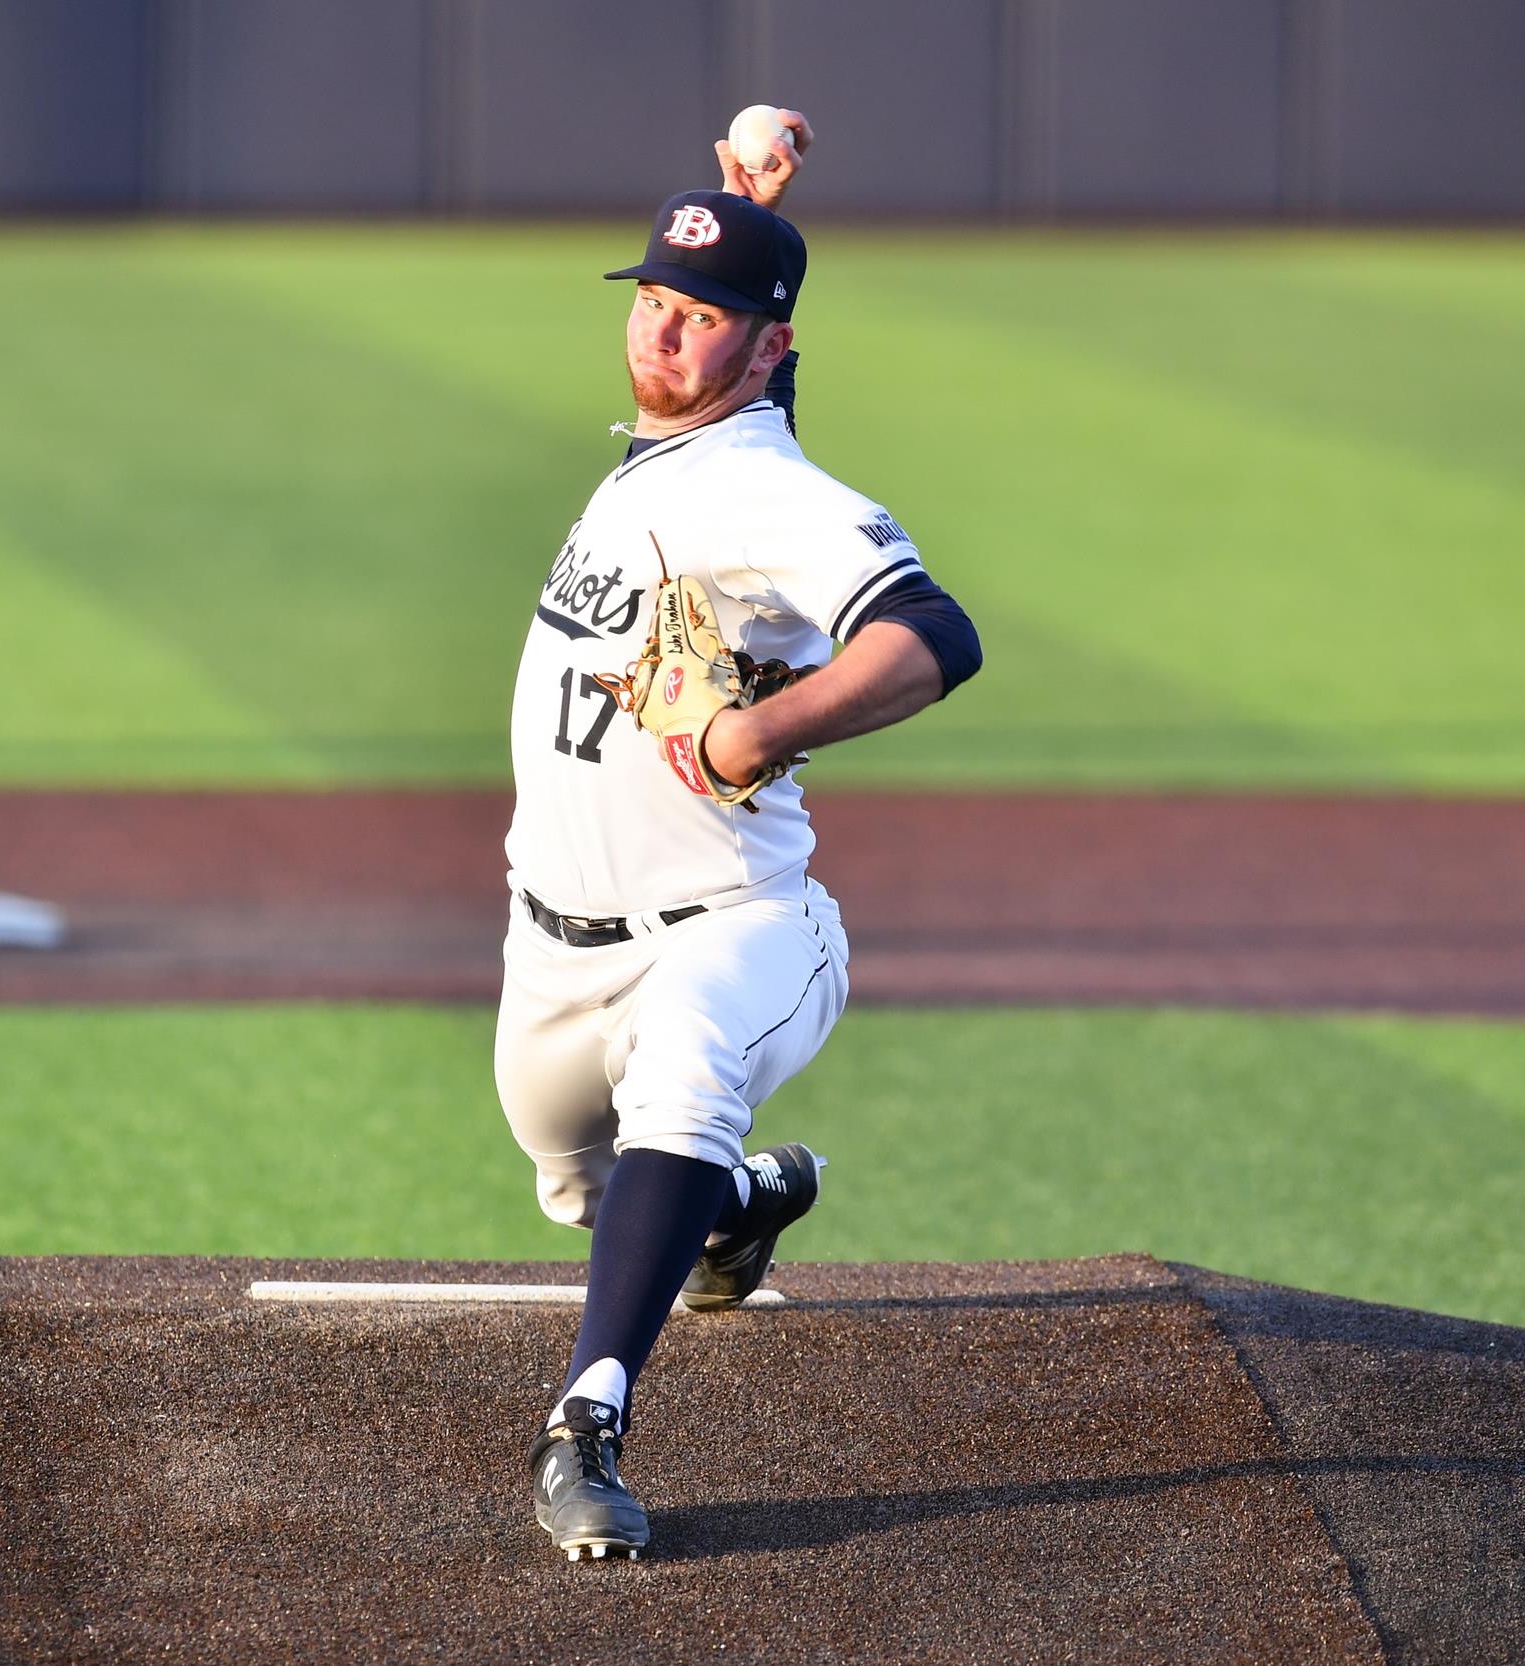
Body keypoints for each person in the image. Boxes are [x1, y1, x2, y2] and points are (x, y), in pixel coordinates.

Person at [498, 114, 983, 1562]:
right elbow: (763, 472)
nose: (661, 331)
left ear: (765, 351)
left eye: (701, 317)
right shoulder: (684, 452)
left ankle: (584, 1425)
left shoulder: (756, 483)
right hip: (552, 953)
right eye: (652, 299)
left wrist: (758, 733)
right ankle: (738, 1210)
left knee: (691, 1075)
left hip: (735, 924)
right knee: (583, 1182)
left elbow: (934, 633)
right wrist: (742, 210)